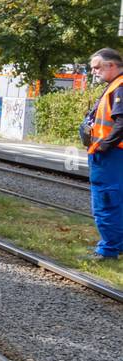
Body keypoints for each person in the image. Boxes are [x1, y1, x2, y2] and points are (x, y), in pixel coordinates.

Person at [81, 47, 123, 261]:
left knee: (107, 200)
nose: (94, 71)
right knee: (115, 200)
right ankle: (117, 244)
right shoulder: (114, 86)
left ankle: (108, 250)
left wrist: (102, 146)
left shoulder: (120, 87)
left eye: (97, 67)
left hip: (111, 156)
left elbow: (121, 123)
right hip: (112, 154)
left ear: (112, 65)